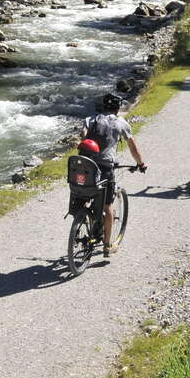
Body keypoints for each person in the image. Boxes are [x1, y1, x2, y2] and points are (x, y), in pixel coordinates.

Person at [81, 93, 147, 257]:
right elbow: (133, 147)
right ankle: (107, 246)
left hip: (85, 166)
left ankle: (83, 219)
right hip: (105, 168)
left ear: (103, 106)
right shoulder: (121, 123)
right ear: (117, 108)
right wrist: (140, 164)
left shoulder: (90, 120)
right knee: (107, 206)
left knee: (85, 195)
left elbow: (82, 140)